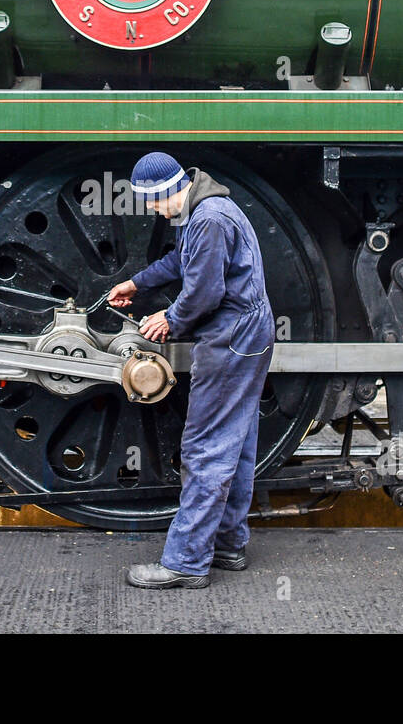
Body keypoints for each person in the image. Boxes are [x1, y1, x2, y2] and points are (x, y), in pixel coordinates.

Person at [107, 151, 275, 589]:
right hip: (246, 334)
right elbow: (183, 263)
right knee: (235, 444)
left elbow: (203, 292)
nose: (151, 209)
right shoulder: (206, 208)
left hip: (231, 339)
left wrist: (170, 319)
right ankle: (228, 544)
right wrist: (138, 282)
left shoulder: (209, 218)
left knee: (205, 448)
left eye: (151, 200)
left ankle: (185, 561)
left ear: (165, 191)